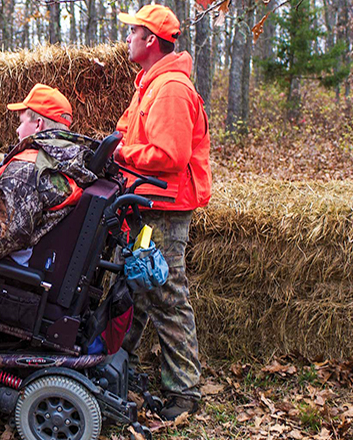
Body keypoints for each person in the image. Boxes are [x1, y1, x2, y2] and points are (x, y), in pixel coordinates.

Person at [111, 4, 212, 421]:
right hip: (145, 202)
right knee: (132, 288)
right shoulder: (149, 85)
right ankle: (114, 367)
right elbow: (123, 132)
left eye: (133, 32)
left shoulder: (170, 88)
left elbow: (169, 155)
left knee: (165, 294)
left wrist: (119, 152)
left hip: (164, 209)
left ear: (151, 40)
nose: (127, 39)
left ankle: (185, 393)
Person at [0, 84, 97, 285]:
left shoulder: (27, 171)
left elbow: (0, 233)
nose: (16, 129)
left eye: (21, 122)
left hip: (0, 277)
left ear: (38, 124)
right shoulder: (66, 162)